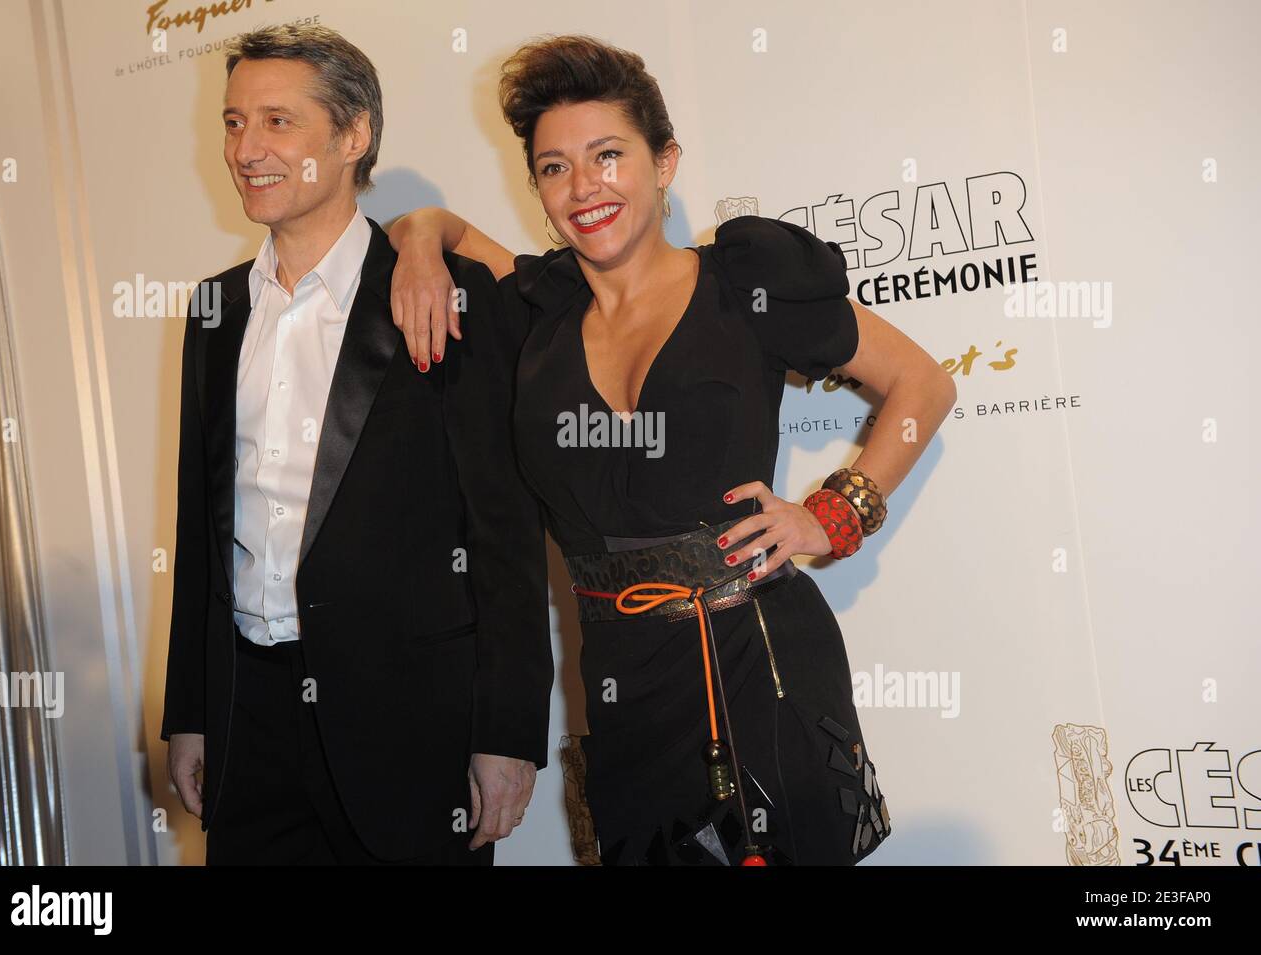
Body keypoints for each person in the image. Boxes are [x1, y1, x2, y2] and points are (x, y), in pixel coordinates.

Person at [385, 35, 956, 864]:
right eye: (554, 167)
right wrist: (416, 241)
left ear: (665, 162)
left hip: (762, 661)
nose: (584, 187)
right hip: (626, 683)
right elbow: (434, 225)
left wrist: (835, 511)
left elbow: (923, 385)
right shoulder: (539, 310)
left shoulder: (745, 282)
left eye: (608, 155)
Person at [160, 24, 552, 866]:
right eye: (233, 123)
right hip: (250, 724)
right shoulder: (213, 310)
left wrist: (508, 732)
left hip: (411, 728)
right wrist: (190, 712)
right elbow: (203, 529)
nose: (246, 149)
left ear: (354, 135)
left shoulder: (442, 293)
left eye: (277, 121)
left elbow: (504, 533)